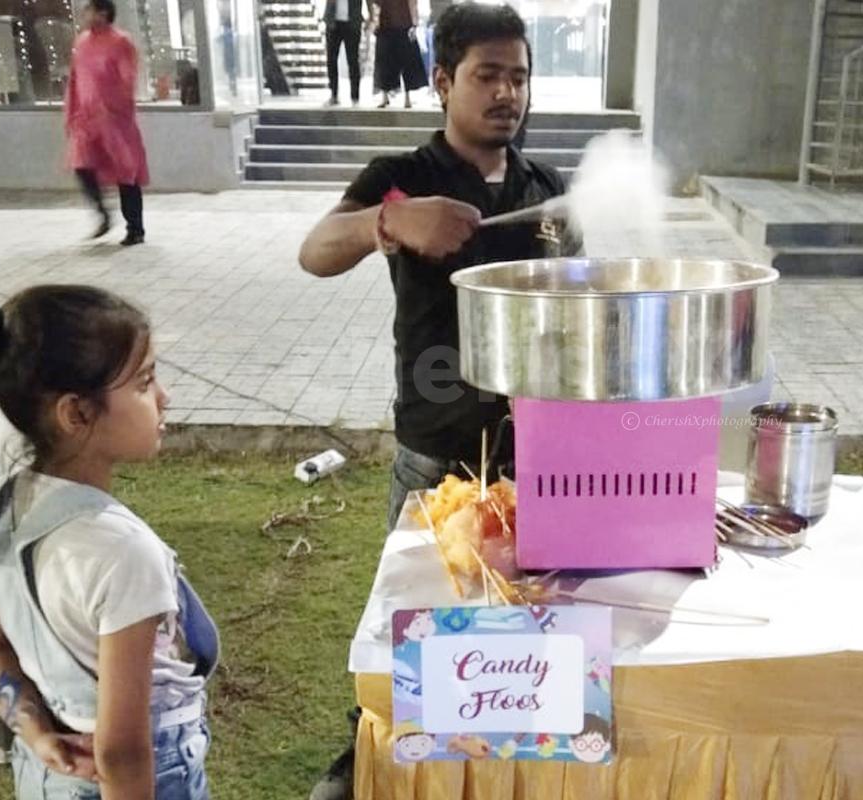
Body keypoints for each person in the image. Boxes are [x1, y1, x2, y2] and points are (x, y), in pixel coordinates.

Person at [299, 6, 580, 795]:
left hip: (534, 472)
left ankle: (509, 777)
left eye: (518, 76)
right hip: (435, 471)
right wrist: (389, 222)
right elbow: (314, 251)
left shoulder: (545, 187)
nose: (507, 93)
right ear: (442, 81)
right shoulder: (406, 175)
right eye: (487, 75)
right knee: (410, 649)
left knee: (522, 650)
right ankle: (364, 765)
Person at [0, 286, 220, 799]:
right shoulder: (124, 553)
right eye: (145, 381)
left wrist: (38, 734)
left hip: (48, 773)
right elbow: (121, 752)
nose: (164, 396)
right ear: (76, 414)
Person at [65, 0, 149, 246]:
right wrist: (71, 112)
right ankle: (102, 213)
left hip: (115, 120)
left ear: (103, 13)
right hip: (86, 119)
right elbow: (74, 80)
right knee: (81, 165)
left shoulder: (121, 41)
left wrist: (114, 106)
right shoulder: (81, 42)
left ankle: (135, 227)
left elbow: (127, 79)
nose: (85, 15)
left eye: (89, 10)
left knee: (127, 173)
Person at [370, 0, 428, 108]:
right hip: (385, 24)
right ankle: (385, 95)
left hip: (404, 24)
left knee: (407, 62)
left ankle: (407, 97)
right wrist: (374, 21)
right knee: (384, 62)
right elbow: (375, 4)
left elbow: (413, 3)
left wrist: (414, 24)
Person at [323, 0, 368, 105]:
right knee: (331, 59)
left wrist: (371, 16)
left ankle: (355, 96)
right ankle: (334, 94)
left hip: (352, 23)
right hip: (333, 22)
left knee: (353, 60)